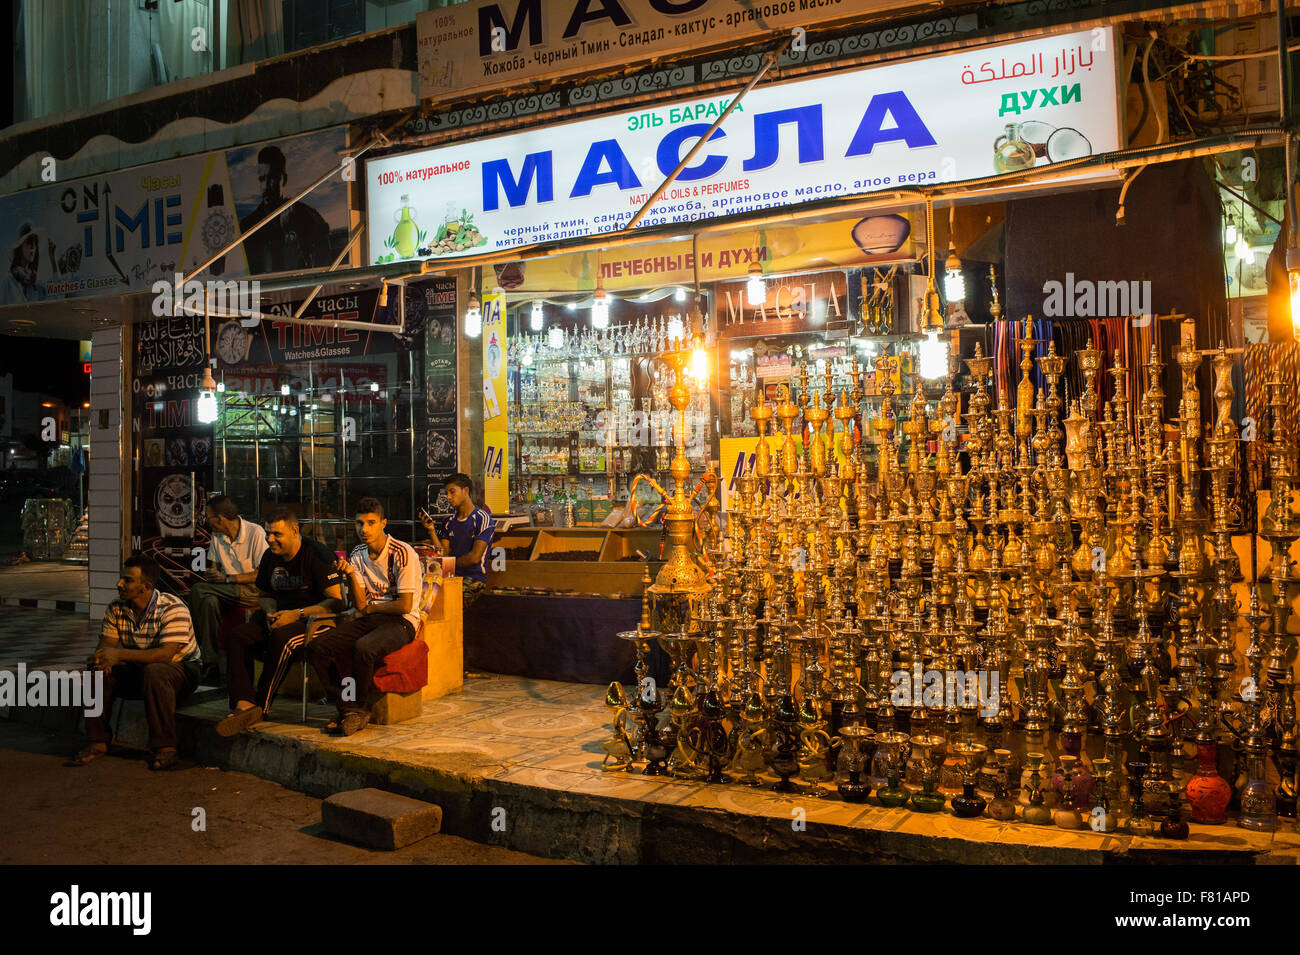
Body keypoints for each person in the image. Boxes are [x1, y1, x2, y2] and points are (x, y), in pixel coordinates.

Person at [216, 508, 342, 736]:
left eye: (276, 534)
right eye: (267, 534)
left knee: (282, 639)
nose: (270, 539)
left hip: (313, 619)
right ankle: (243, 703)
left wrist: (296, 614)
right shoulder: (270, 556)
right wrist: (271, 612)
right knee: (237, 636)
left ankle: (261, 707)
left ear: (294, 531)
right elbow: (263, 595)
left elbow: (336, 602)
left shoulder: (317, 555)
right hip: (279, 616)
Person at [69, 556, 201, 771]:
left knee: (155, 671)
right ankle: (97, 741)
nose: (119, 584)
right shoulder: (116, 607)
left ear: (145, 587)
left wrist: (118, 655)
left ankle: (166, 747)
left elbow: (165, 655)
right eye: (121, 578)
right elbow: (106, 648)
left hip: (182, 672)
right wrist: (101, 659)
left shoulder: (172, 608)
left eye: (127, 580)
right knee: (97, 672)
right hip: (142, 669)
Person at [309, 497, 422, 737]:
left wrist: (370, 609)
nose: (364, 529)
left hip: (403, 622)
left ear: (383, 523)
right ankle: (346, 707)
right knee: (318, 646)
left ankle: (358, 707)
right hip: (372, 617)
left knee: (364, 647)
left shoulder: (402, 553)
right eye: (360, 524)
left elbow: (405, 605)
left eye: (371, 523)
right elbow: (359, 603)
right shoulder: (357, 554)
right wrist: (349, 573)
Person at [187, 494, 268, 683]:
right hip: (229, 590)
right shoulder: (218, 536)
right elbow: (213, 565)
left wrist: (227, 578)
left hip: (253, 591)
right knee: (208, 601)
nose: (207, 522)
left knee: (199, 590)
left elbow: (261, 574)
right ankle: (211, 664)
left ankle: (194, 650)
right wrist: (213, 574)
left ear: (220, 518)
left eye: (209, 518)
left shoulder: (255, 533)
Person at [239, 145, 331, 273]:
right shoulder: (247, 227)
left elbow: (325, 267)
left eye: (272, 178)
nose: (265, 186)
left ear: (283, 179)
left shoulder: (310, 219)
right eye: (262, 179)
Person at [421, 473, 493, 609]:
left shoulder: (482, 519)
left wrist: (447, 564)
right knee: (421, 598)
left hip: (473, 579)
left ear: (465, 491)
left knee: (445, 603)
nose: (448, 497)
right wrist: (431, 530)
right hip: (449, 577)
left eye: (452, 492)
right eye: (447, 493)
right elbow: (443, 554)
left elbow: (474, 558)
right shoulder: (448, 522)